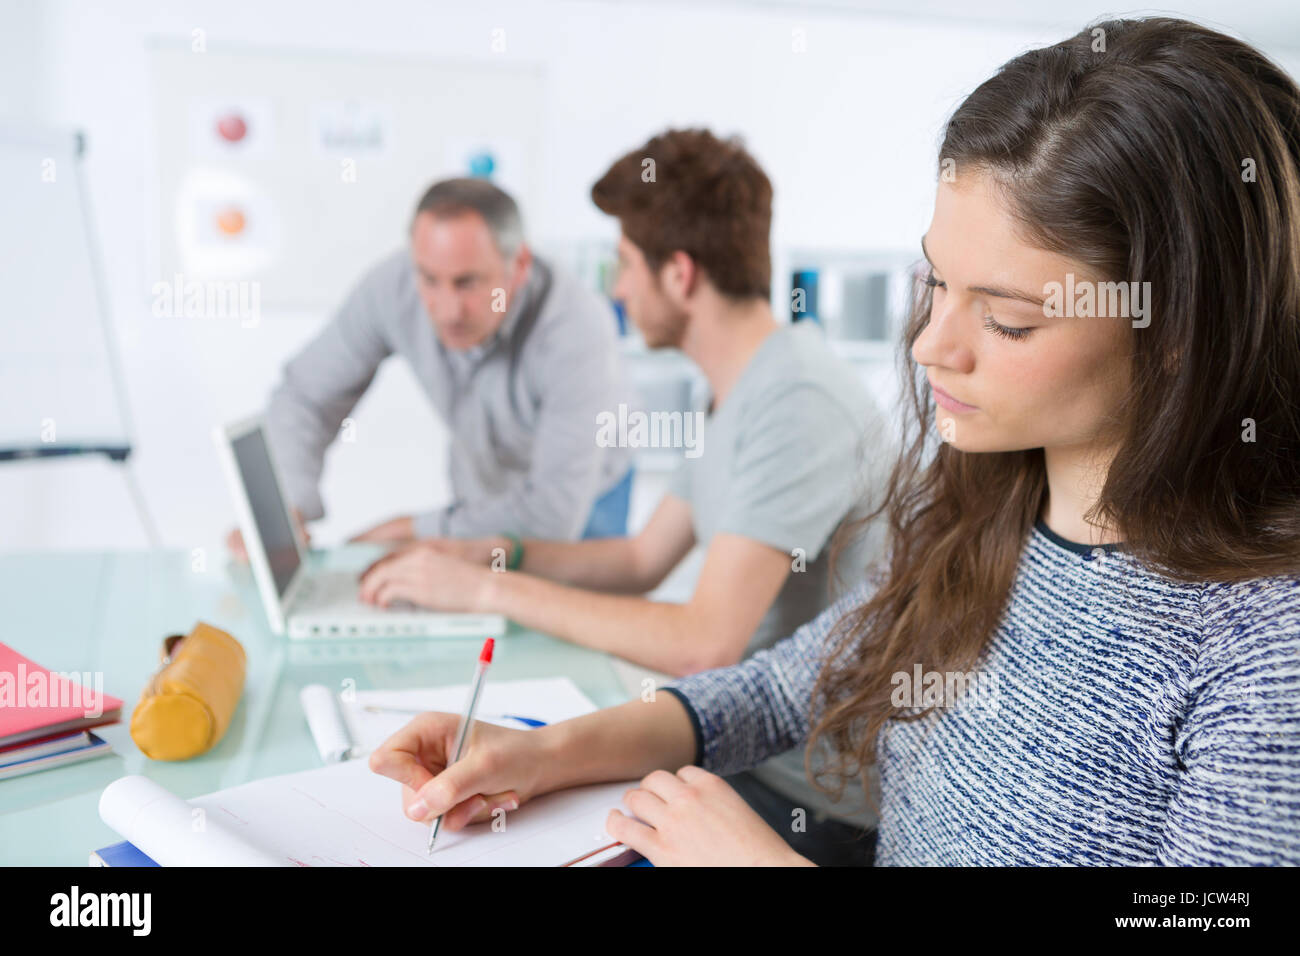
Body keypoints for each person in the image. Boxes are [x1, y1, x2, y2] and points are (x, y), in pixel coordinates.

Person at [368, 18, 1300, 866]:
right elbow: (783, 685)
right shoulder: (986, 503)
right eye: (935, 283)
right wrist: (544, 752)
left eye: (1009, 321)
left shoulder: (1264, 658)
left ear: (1178, 328)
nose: (931, 345)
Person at [359, 128, 893, 865]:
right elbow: (643, 557)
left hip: (805, 805)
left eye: (626, 263)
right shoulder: (740, 387)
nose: (615, 287)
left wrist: (489, 588)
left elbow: (706, 644)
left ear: (679, 274)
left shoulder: (795, 398)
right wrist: (491, 554)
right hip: (736, 757)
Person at [226, 177, 636, 559]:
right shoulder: (393, 287)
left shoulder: (578, 327)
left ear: (520, 266)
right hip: (480, 487)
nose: (447, 311)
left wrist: (413, 530)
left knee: (567, 621)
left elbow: (553, 515)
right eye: (429, 279)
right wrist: (286, 505)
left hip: (583, 499)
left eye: (468, 283)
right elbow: (306, 396)